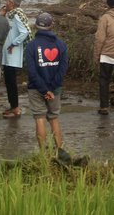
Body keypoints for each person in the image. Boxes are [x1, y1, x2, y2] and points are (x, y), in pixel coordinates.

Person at [25, 12, 69, 161]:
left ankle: (43, 156)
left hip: (36, 88)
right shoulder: (61, 44)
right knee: (54, 118)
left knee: (40, 119)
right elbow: (62, 70)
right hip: (54, 89)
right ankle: (60, 153)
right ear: (52, 26)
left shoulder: (31, 46)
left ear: (36, 27)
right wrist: (51, 89)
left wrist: (44, 89)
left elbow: (31, 71)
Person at [1, 0, 31, 118]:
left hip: (12, 54)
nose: (5, 3)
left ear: (12, 3)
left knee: (11, 82)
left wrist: (13, 43)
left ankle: (15, 108)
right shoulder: (11, 15)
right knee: (9, 81)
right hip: (9, 54)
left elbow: (24, 32)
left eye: (7, 0)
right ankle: (13, 106)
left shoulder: (17, 15)